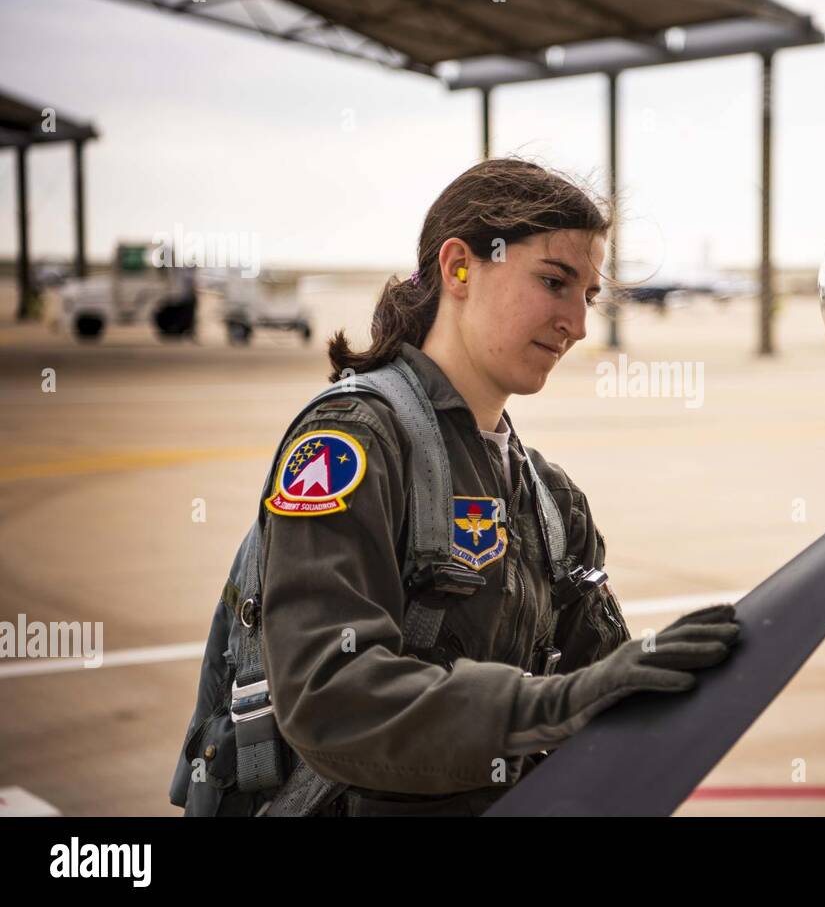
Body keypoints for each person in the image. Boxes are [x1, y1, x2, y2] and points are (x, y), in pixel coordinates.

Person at [248, 158, 739, 815]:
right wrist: (554, 705)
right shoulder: (353, 442)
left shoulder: (552, 503)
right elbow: (329, 693)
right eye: (554, 281)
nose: (578, 322)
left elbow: (603, 686)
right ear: (458, 268)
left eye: (587, 295)